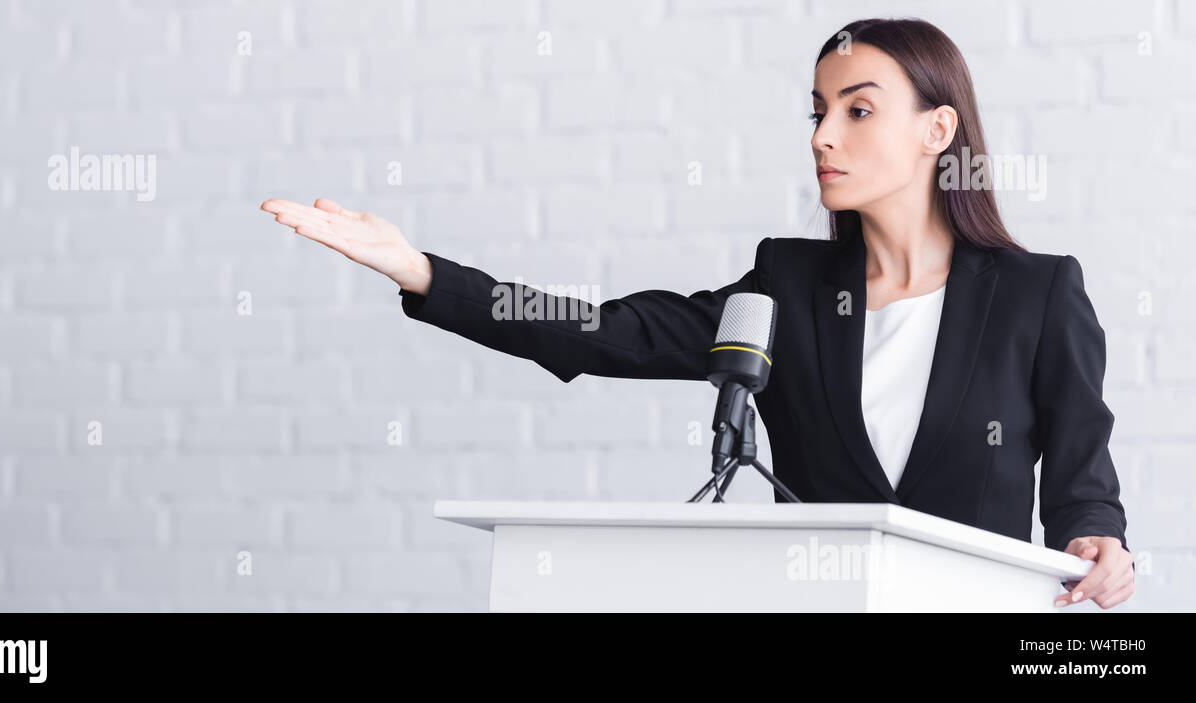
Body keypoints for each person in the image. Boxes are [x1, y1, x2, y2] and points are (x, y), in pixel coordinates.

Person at [260, 18, 1133, 609]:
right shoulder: (788, 285)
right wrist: (420, 270)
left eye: (858, 109)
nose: (823, 135)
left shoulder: (1036, 292)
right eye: (818, 112)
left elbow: (1083, 489)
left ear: (937, 130)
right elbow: (609, 330)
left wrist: (1100, 545)